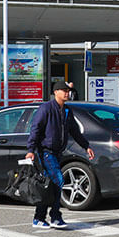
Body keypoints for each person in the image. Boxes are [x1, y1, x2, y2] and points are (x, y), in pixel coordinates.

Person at [26, 81, 94, 228]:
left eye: (68, 90)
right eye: (63, 90)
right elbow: (35, 129)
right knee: (58, 180)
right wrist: (31, 150)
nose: (67, 93)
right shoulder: (46, 109)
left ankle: (38, 218)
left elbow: (75, 131)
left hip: (58, 152)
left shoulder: (67, 110)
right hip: (46, 152)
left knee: (47, 186)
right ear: (55, 92)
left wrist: (86, 146)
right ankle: (55, 217)